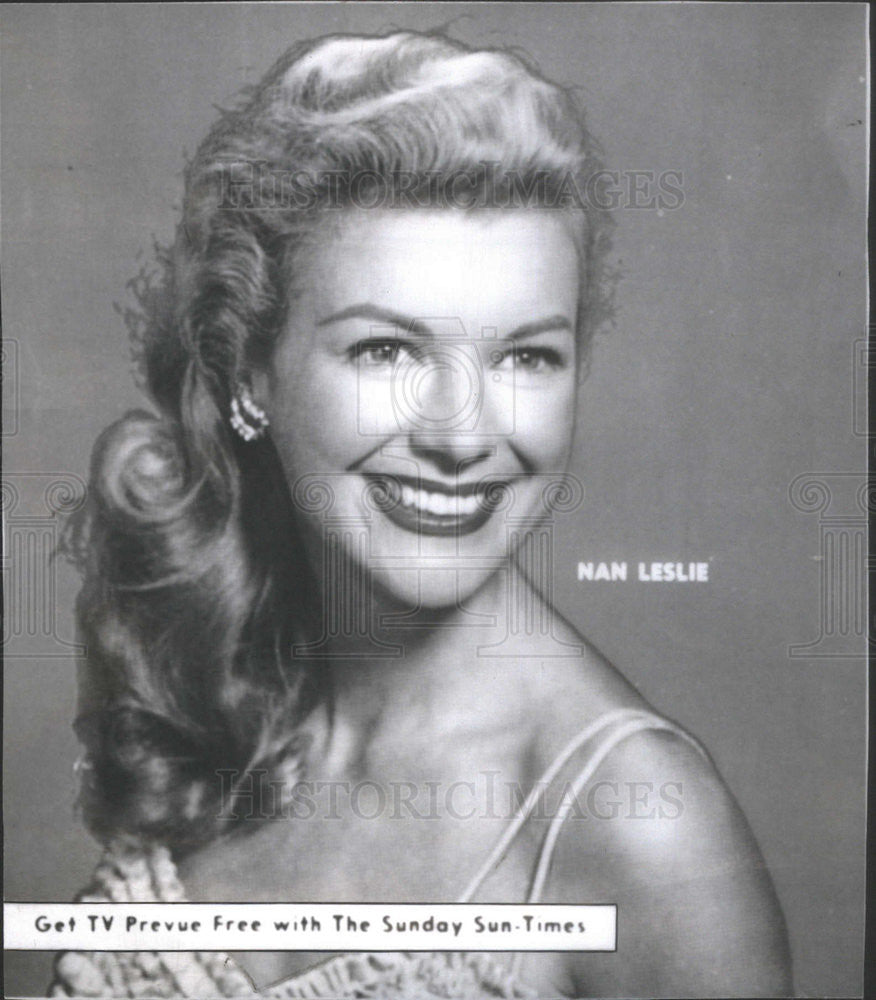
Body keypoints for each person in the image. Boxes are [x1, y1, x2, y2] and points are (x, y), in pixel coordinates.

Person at [51, 29, 791, 999]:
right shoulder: (219, 676)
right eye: (387, 351)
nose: (461, 434)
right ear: (250, 374)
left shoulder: (642, 828)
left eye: (525, 356)